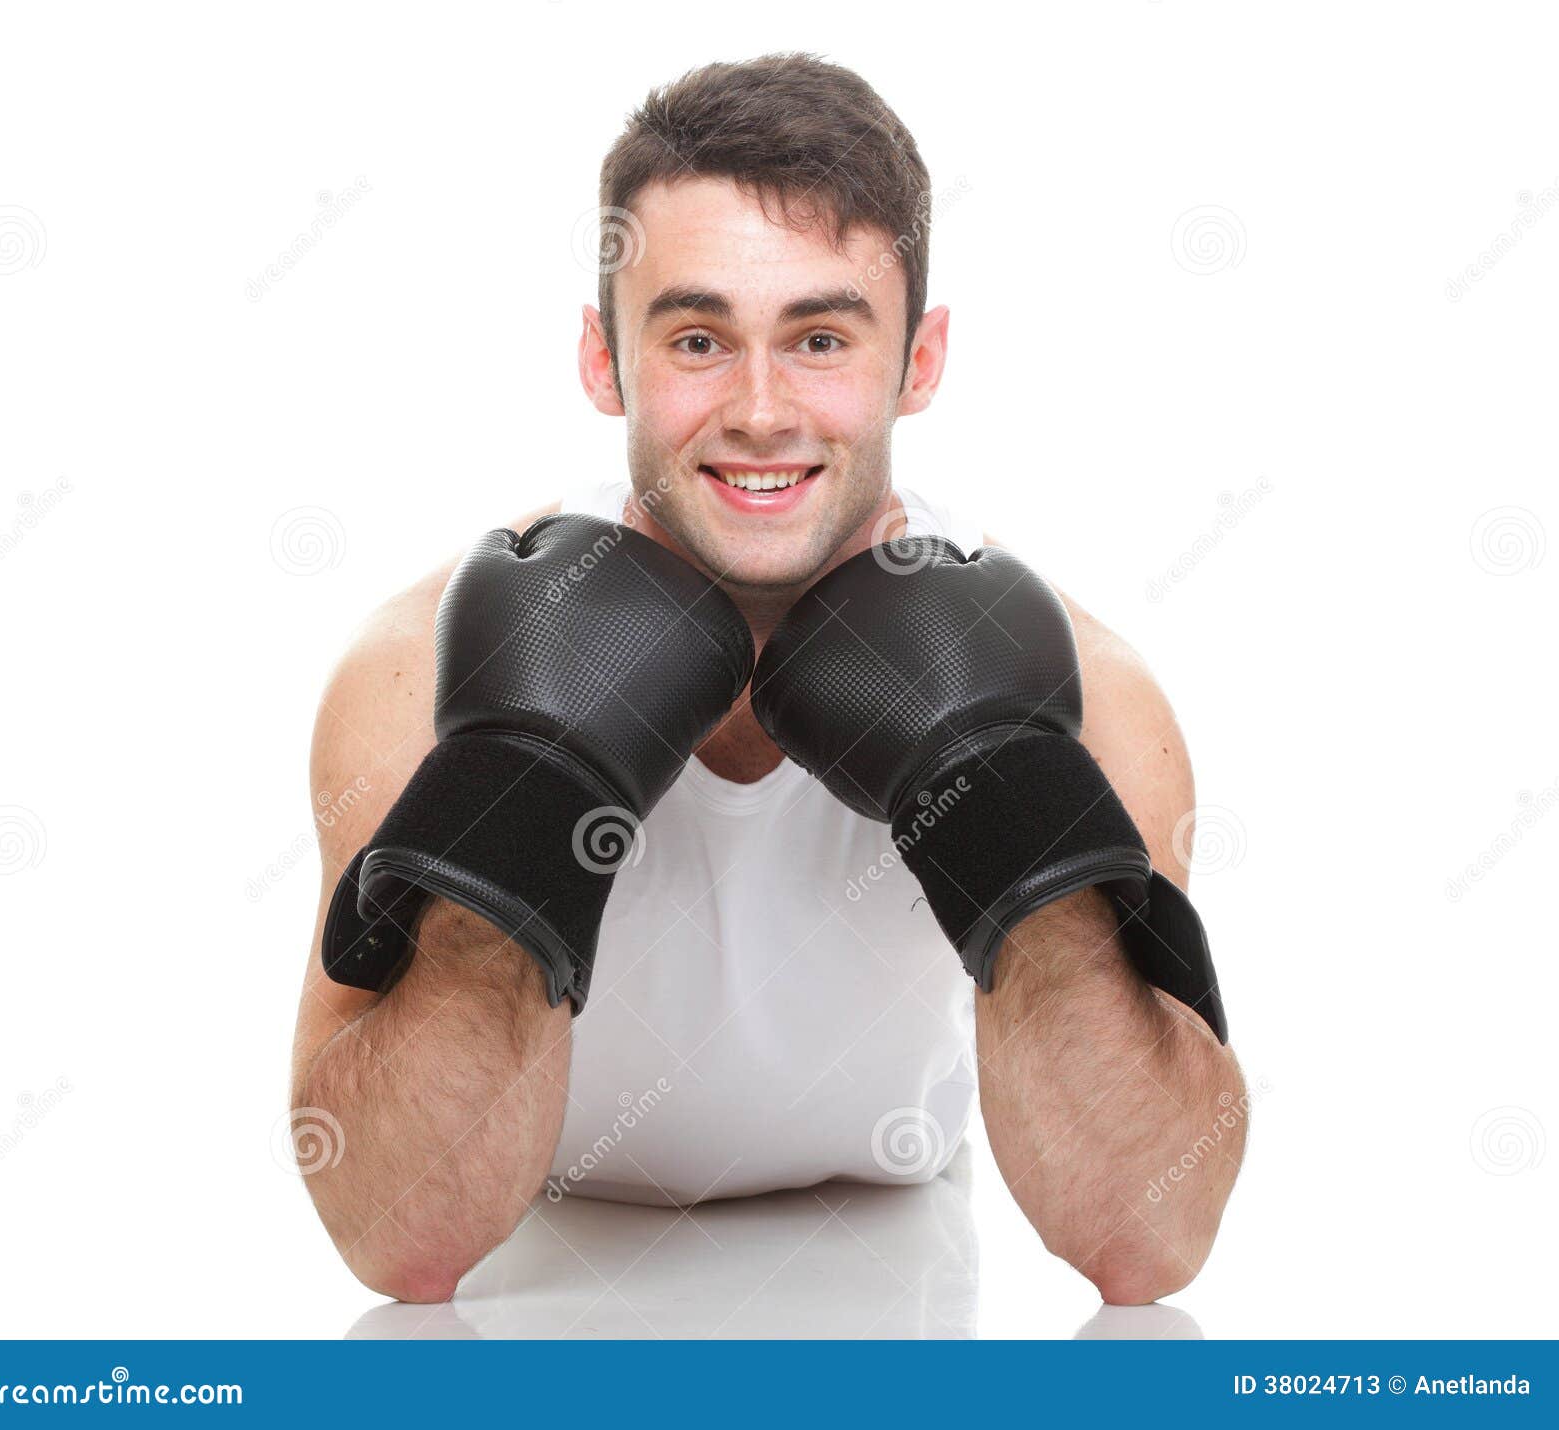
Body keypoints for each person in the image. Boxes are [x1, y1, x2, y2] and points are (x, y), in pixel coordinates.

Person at [290, 52, 1245, 1307]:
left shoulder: (1079, 689)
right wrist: (520, 783)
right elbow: (395, 1242)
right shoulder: (419, 672)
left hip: (900, 1308)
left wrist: (1010, 802)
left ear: (919, 360)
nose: (757, 409)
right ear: (602, 358)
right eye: (697, 338)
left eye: (820, 337)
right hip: (548, 1323)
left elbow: (1147, 1244)